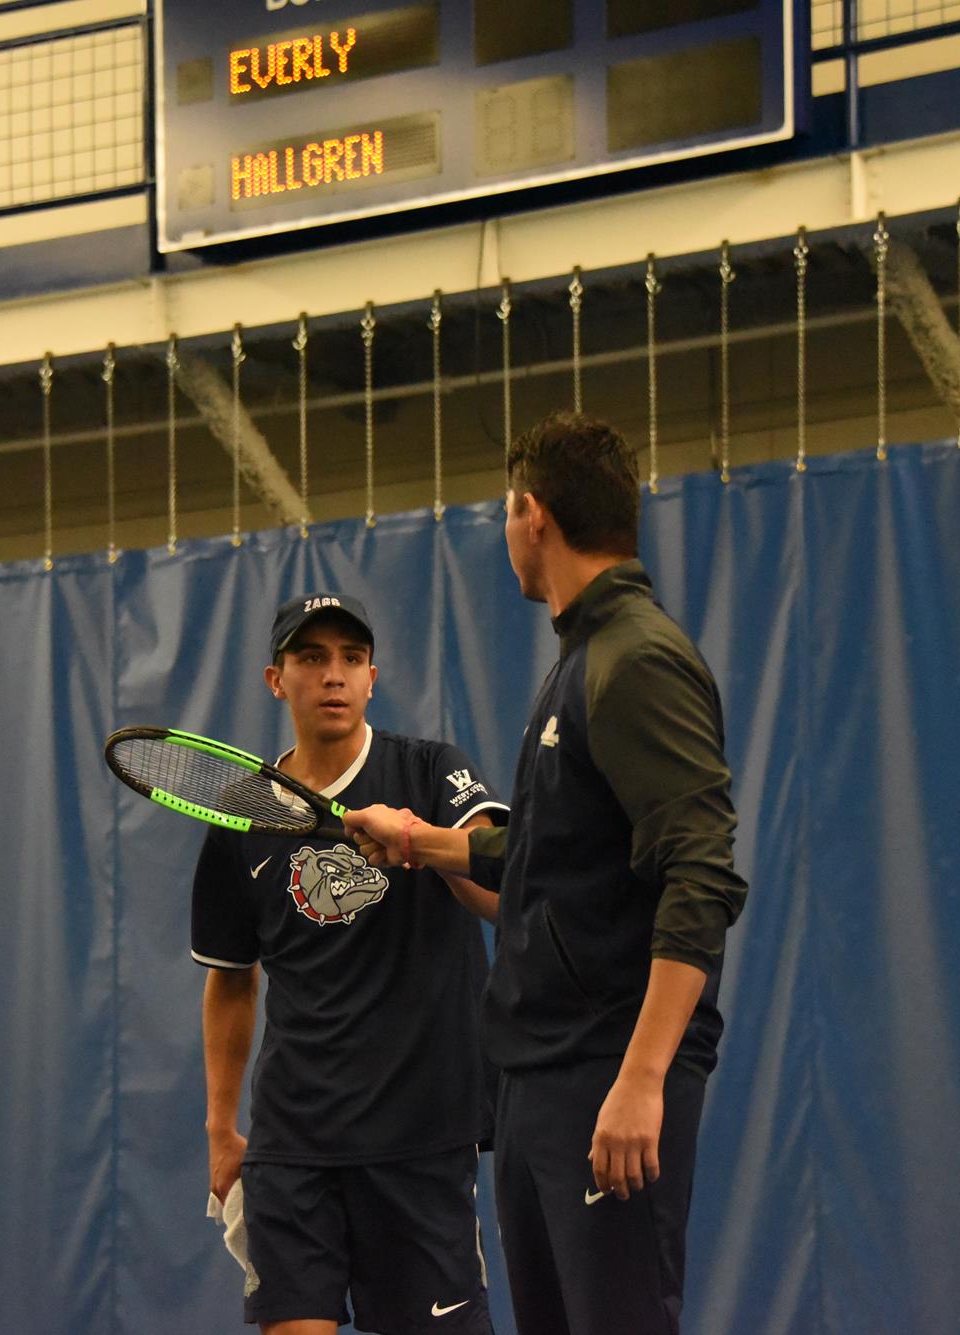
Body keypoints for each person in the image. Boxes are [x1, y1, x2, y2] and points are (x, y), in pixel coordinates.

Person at [344, 412, 749, 1335]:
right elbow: (548, 856)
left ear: (533, 515)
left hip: (604, 1079)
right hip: (537, 1081)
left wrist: (641, 1079)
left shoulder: (636, 660)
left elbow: (702, 876)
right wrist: (418, 840)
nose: (503, 529)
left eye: (503, 510)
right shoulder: (580, 664)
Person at [192, 592, 507, 1335]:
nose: (333, 675)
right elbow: (232, 979)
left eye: (350, 659)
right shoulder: (241, 816)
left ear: (373, 678)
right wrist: (219, 1126)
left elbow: (506, 889)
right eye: (311, 657)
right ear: (277, 679)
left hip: (420, 1140)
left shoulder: (429, 772)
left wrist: (418, 840)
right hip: (292, 1146)